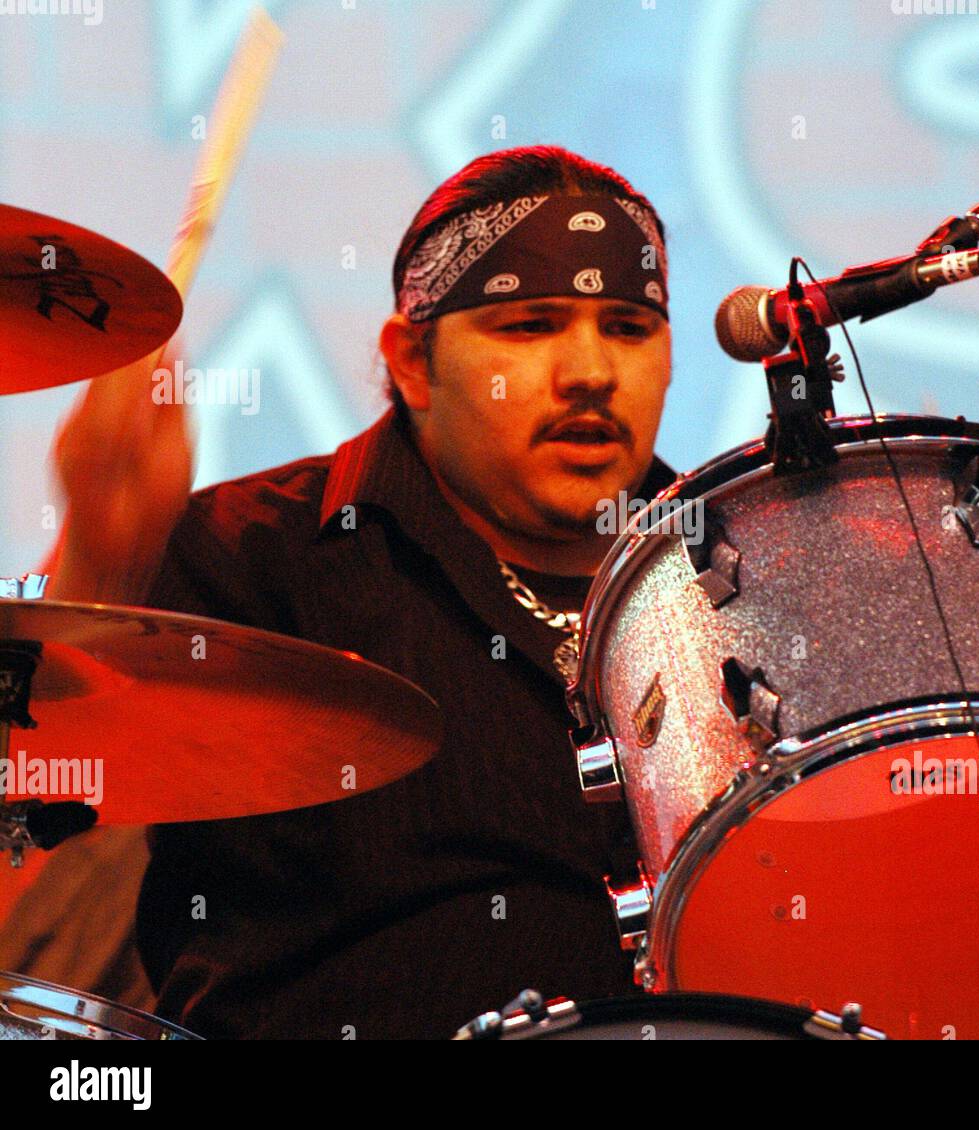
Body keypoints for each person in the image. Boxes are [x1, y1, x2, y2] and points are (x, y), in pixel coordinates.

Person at [46, 145, 675, 1038]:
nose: (591, 372)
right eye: (529, 326)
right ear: (413, 363)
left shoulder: (730, 569)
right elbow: (28, 825)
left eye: (627, 326)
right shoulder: (250, 558)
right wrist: (97, 575)